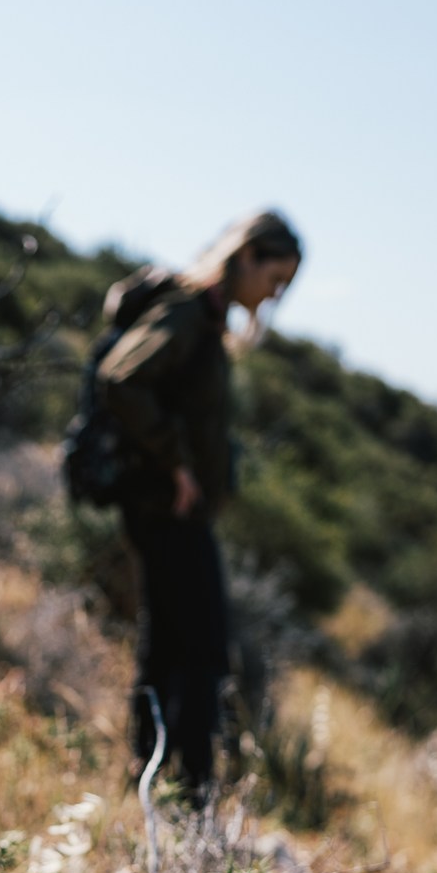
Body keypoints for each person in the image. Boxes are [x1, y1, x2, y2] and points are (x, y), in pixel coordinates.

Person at [96, 210, 301, 795]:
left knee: (166, 644)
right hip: (167, 508)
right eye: (275, 278)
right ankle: (193, 790)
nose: (275, 294)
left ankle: (151, 774)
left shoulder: (206, 321)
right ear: (246, 256)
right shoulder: (187, 313)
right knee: (204, 648)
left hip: (171, 507)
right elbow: (120, 379)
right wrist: (177, 464)